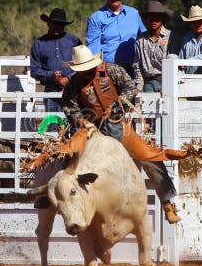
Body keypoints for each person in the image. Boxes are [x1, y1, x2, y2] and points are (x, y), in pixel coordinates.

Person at [61, 46, 183, 224]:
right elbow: (69, 106)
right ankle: (68, 204)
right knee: (69, 158)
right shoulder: (74, 83)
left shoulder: (111, 70)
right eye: (82, 71)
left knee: (148, 157)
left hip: (118, 125)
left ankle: (167, 203)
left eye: (87, 69)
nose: (85, 73)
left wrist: (115, 108)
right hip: (91, 129)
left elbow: (130, 88)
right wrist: (81, 121)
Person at [85, 0, 145, 76]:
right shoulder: (96, 18)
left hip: (132, 68)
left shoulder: (134, 14)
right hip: (107, 69)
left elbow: (144, 38)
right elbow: (93, 47)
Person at [30, 8, 83, 113]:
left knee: (75, 124)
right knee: (53, 124)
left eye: (61, 24)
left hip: (74, 88)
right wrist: (51, 75)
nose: (57, 27)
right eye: (55, 23)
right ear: (48, 23)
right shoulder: (39, 43)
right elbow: (34, 70)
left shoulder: (74, 41)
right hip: (51, 89)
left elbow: (83, 64)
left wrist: (69, 77)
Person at [133, 1, 178, 92]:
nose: (153, 20)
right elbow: (137, 65)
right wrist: (139, 86)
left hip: (167, 81)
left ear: (162, 19)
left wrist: (170, 84)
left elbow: (174, 61)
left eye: (157, 17)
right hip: (148, 82)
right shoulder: (140, 39)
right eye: (150, 17)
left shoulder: (170, 37)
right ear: (146, 19)